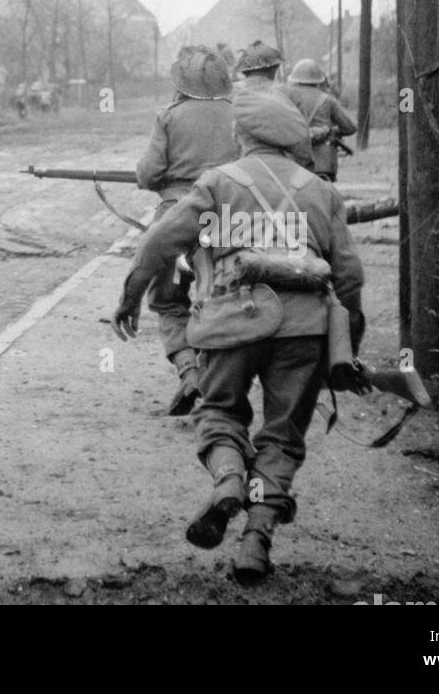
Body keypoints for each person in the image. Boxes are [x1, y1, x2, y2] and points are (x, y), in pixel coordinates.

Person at [112, 87, 365, 584]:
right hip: (305, 330)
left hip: (231, 324)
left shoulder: (217, 184)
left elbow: (160, 242)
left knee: (221, 412)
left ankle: (229, 481)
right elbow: (351, 279)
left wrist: (129, 296)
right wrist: (345, 346)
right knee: (283, 436)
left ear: (241, 135)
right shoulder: (322, 191)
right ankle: (256, 541)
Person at [134, 46, 239, 416]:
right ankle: (219, 379)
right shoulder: (238, 114)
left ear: (180, 82)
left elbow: (148, 173)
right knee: (225, 296)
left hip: (178, 220)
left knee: (167, 299)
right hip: (228, 219)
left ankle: (189, 369)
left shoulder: (168, 116)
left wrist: (150, 177)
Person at [234, 42, 310, 166]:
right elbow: (302, 143)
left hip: (238, 170)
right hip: (283, 169)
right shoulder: (289, 93)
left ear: (243, 71)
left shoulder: (232, 93)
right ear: (274, 68)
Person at [282, 60, 358, 182]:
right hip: (323, 164)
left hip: (294, 161)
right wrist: (329, 131)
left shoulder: (286, 98)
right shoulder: (328, 100)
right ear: (319, 80)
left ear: (295, 79)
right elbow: (350, 127)